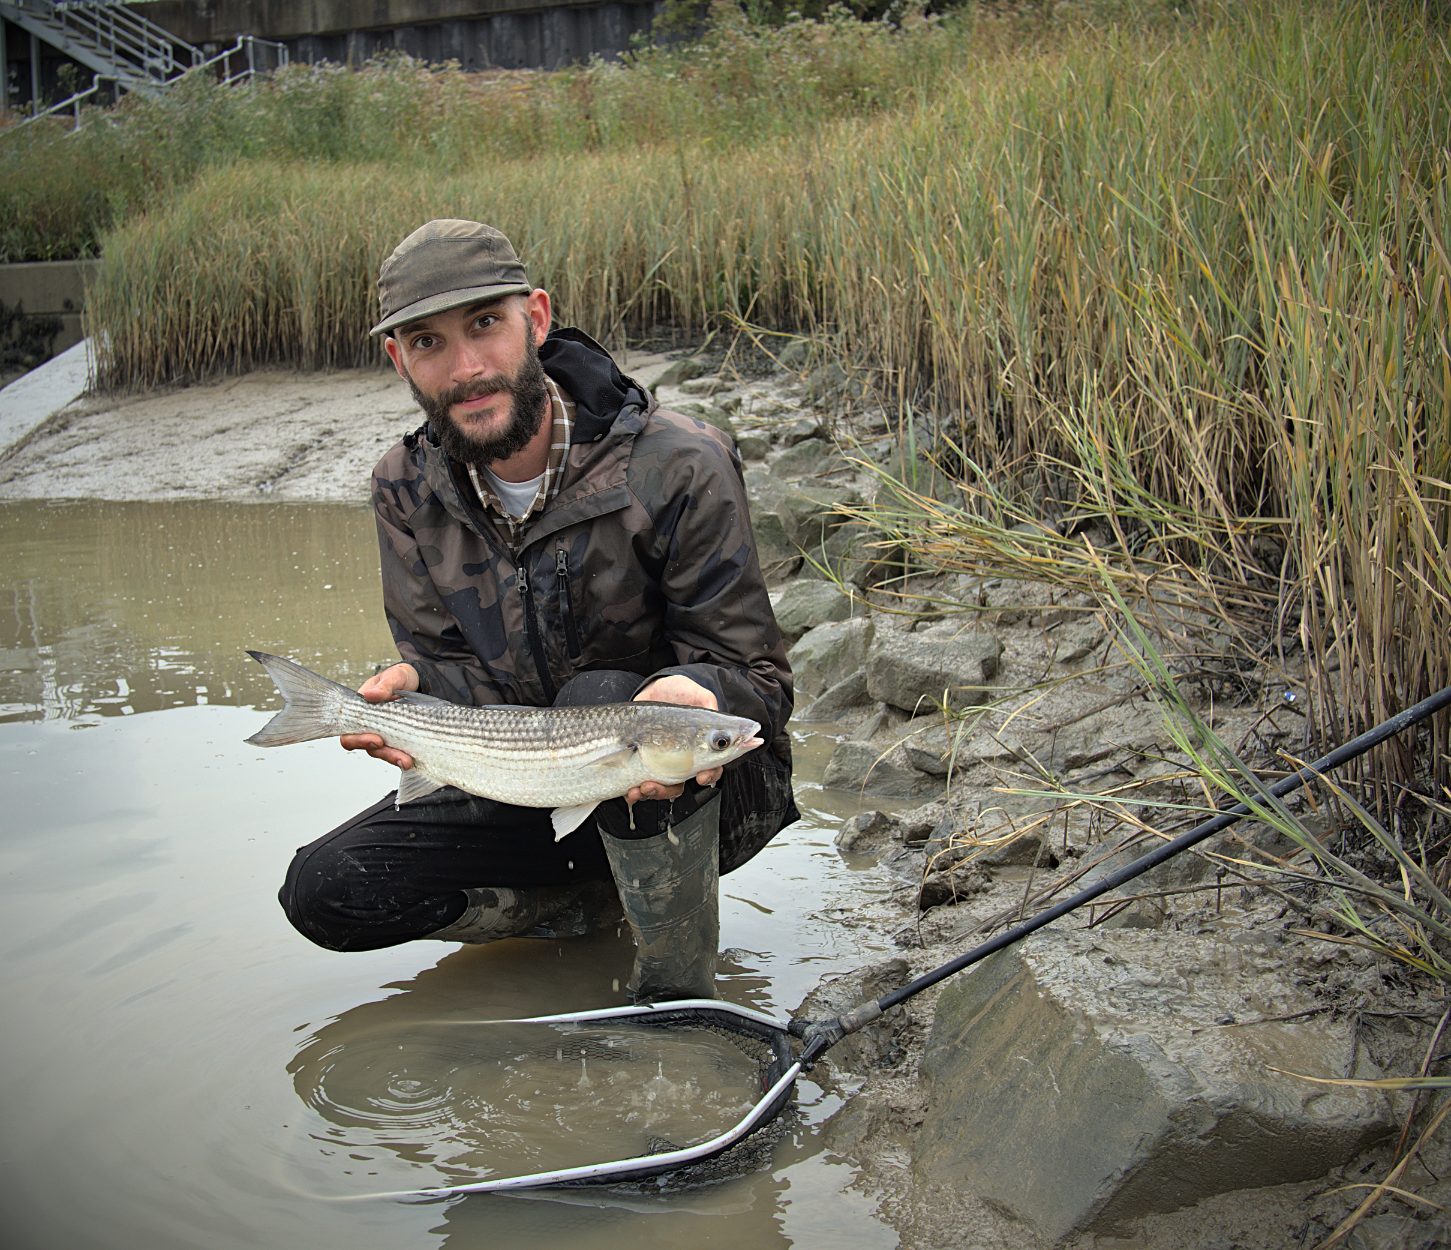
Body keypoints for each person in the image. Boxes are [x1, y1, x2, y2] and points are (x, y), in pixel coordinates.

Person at [279, 219, 798, 1001]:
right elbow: (451, 671)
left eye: (485, 324)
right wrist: (410, 691)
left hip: (697, 788)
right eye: (427, 343)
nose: (466, 366)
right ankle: (581, 910)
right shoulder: (403, 484)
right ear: (400, 360)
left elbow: (758, 675)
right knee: (326, 889)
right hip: (523, 777)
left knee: (600, 699)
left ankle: (675, 990)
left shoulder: (679, 460)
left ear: (538, 318)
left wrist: (709, 694)